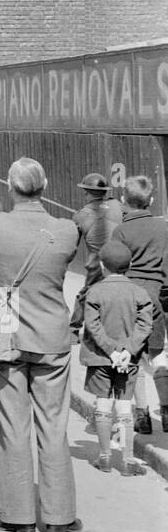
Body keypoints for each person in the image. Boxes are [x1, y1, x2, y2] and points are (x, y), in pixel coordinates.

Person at [0, 157, 81, 532]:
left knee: (12, 425)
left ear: (9, 185)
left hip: (9, 331)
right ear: (45, 185)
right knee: (53, 426)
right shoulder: (65, 229)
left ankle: (17, 516)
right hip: (52, 334)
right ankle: (59, 516)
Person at [80, 238, 152, 476]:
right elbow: (145, 325)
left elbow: (92, 324)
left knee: (102, 403)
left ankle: (104, 458)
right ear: (129, 265)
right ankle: (128, 460)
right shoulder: (140, 292)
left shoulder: (95, 291)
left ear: (102, 266)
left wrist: (111, 350)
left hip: (101, 357)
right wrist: (126, 350)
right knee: (124, 405)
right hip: (128, 359)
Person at [111, 175, 168, 434]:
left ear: (124, 201)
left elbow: (115, 266)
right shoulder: (163, 228)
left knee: (133, 357)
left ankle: (142, 416)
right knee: (158, 356)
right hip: (157, 295)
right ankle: (166, 412)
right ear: (152, 200)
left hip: (130, 297)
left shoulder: (120, 231)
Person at [70, 173, 124, 336]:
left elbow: (73, 245)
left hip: (98, 262)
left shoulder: (81, 215)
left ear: (87, 193)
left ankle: (73, 329)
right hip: (120, 259)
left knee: (85, 294)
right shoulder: (117, 205)